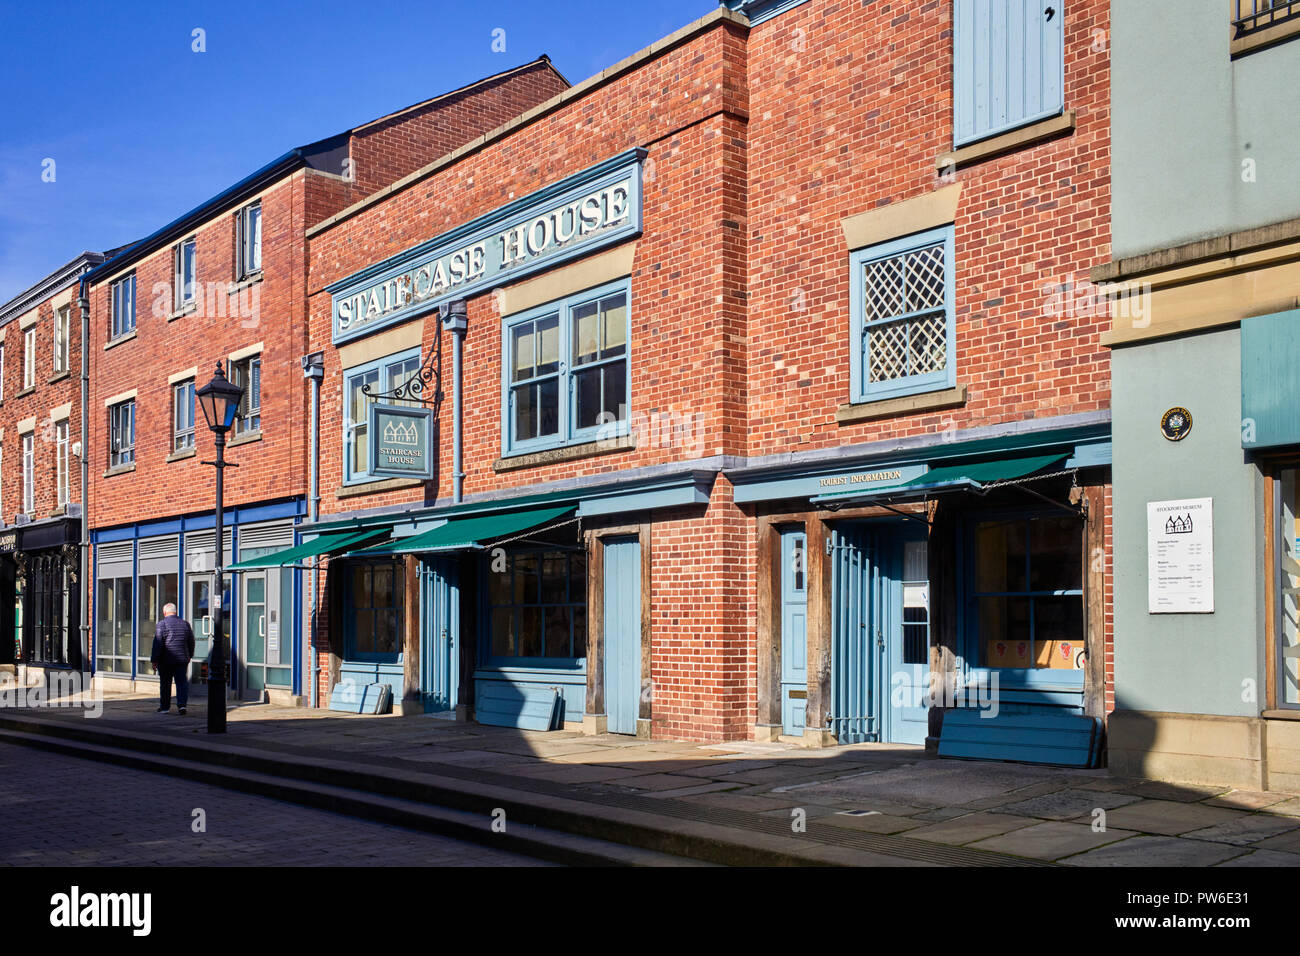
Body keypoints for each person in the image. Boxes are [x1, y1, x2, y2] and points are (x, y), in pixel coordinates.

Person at [151, 603, 195, 715]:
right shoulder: (185, 624)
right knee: (181, 683)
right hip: (181, 659)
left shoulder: (162, 624)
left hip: (165, 660)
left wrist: (154, 660)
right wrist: (190, 655)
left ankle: (165, 707)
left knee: (165, 683)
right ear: (175, 612)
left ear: (165, 612)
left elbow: (158, 643)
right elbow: (191, 641)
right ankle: (182, 706)